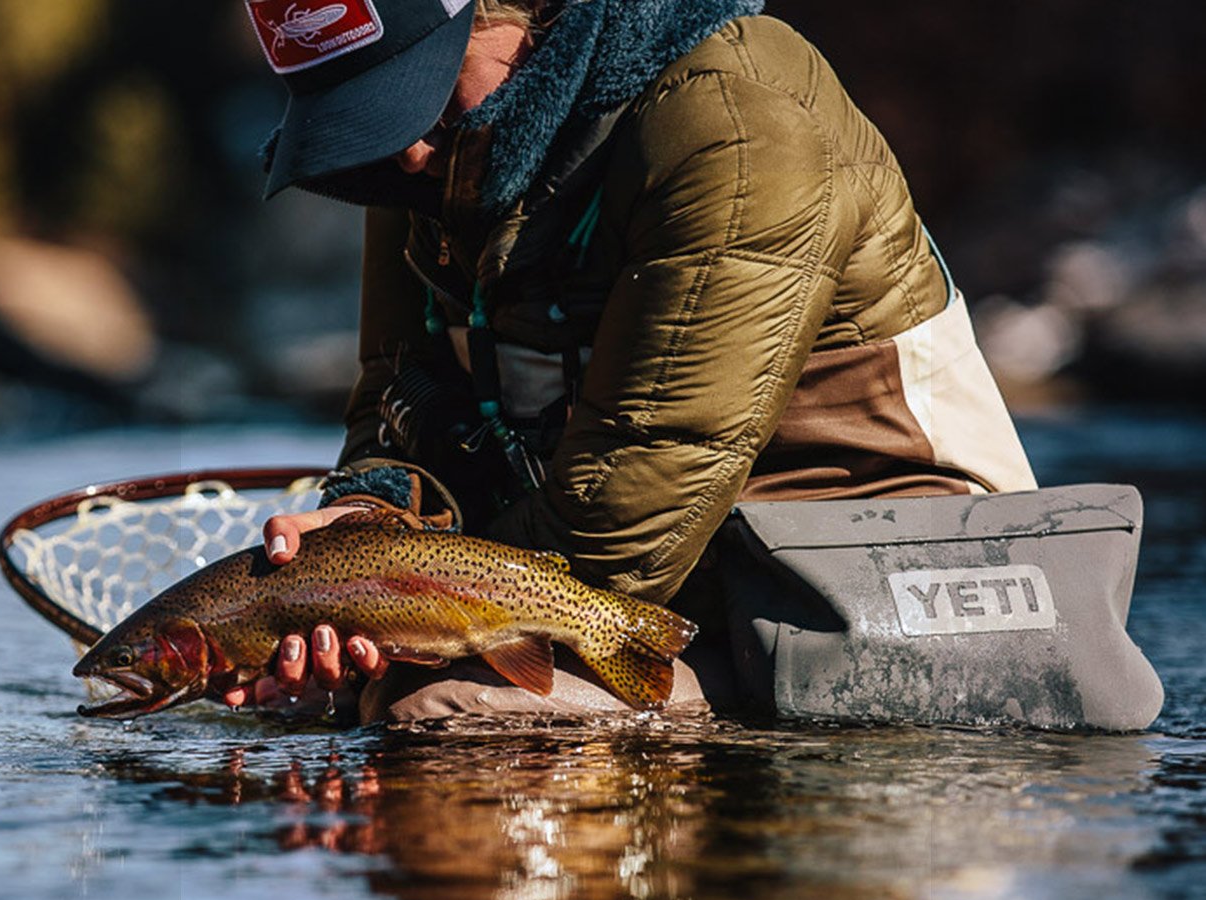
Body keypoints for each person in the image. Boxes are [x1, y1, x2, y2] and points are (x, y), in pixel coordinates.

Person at [229, 0, 1046, 723]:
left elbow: (623, 524)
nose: (403, 150)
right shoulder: (433, 162)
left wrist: (395, 610)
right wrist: (364, 527)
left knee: (444, 715)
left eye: (421, 93)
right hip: (655, 590)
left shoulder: (736, 121)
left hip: (865, 596)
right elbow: (397, 403)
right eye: (362, 117)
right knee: (341, 701)